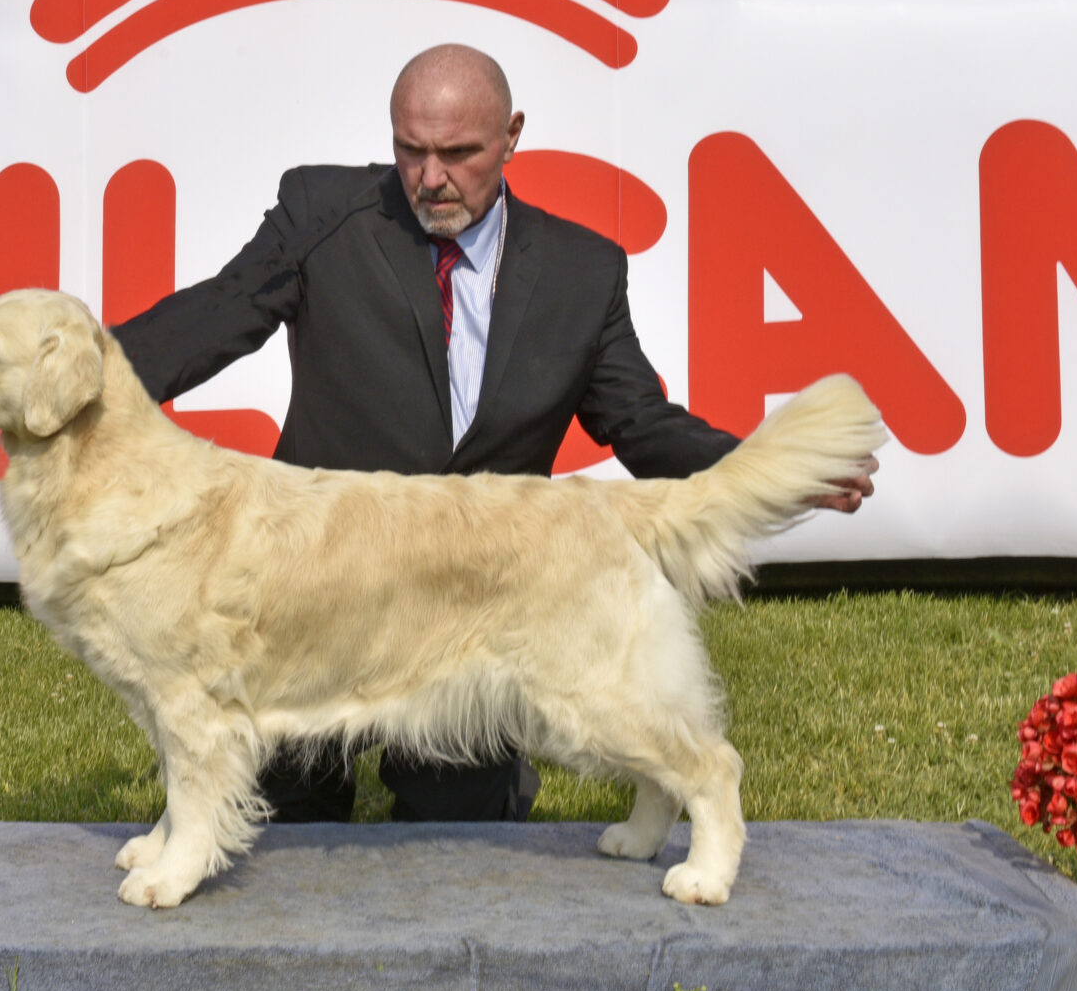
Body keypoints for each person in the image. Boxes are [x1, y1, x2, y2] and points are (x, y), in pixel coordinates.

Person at [113, 42, 872, 821]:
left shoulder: (584, 273)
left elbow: (640, 423)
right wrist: (80, 379)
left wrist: (768, 471)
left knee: (462, 843)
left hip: (473, 615)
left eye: (457, 152)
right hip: (317, 597)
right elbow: (215, 316)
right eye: (410, 150)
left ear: (511, 136)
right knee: (279, 833)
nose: (429, 177)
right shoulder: (322, 215)